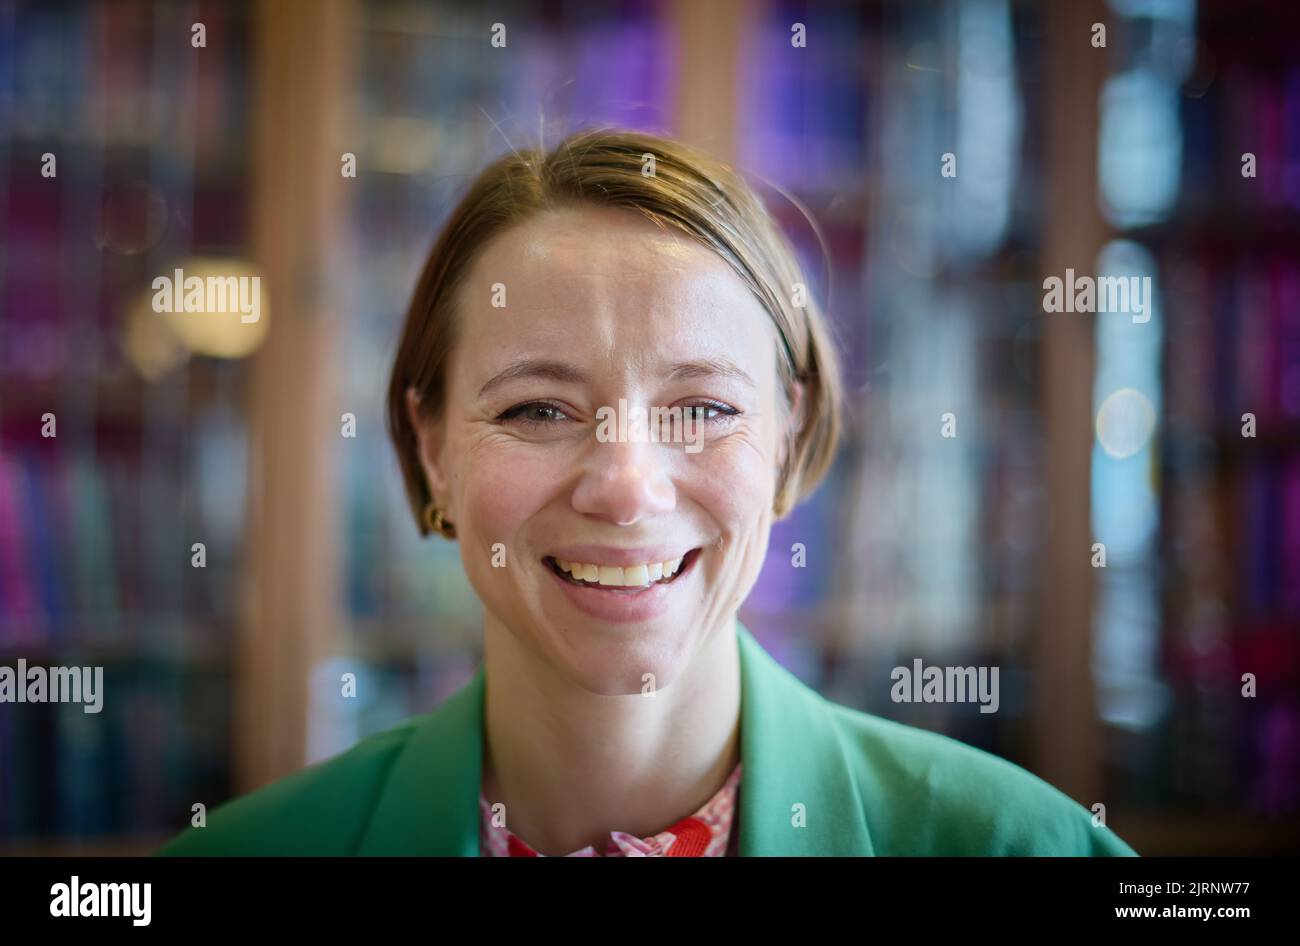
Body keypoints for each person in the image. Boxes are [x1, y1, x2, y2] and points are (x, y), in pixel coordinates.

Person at [158, 128, 1136, 857]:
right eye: (538, 410)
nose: (626, 486)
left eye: (703, 406)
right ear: (433, 445)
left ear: (787, 435)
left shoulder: (1021, 846)